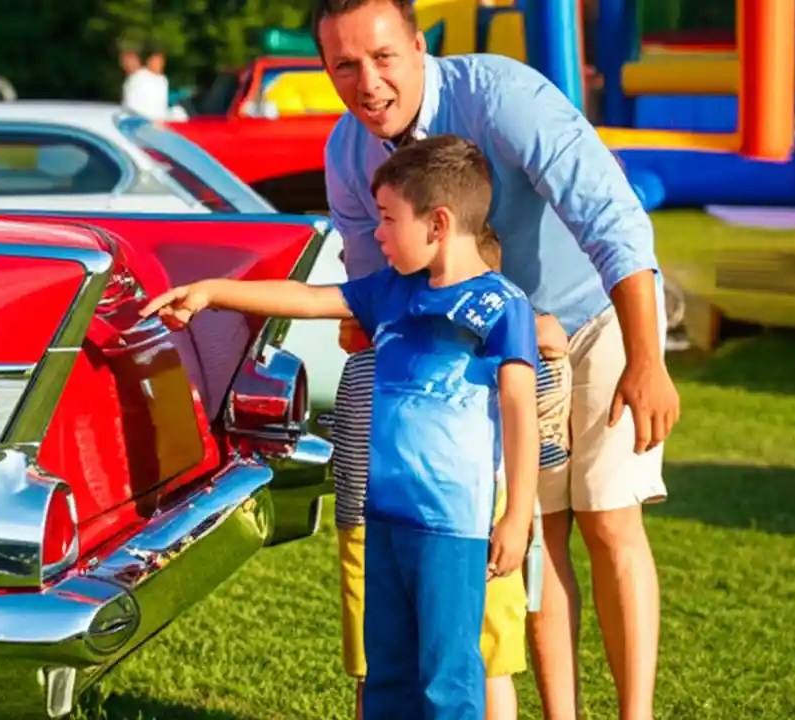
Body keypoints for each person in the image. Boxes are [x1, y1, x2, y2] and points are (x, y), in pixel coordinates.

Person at [311, 2, 681, 719]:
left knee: (609, 519)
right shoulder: (347, 153)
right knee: (532, 534)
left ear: (419, 46)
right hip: (493, 353)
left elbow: (611, 216)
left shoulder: (503, 95)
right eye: (344, 66)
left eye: (383, 57)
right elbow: (379, 291)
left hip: (594, 315)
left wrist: (646, 358)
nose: (368, 83)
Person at [144, 135, 541, 719]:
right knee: (386, 678)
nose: (376, 233)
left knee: (445, 681)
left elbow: (520, 414)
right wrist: (212, 294)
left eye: (387, 219)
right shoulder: (391, 291)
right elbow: (305, 299)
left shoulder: (501, 306)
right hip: (384, 520)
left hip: (450, 530)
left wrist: (516, 515)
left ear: (437, 223)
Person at [333, 223, 574, 720]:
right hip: (396, 523)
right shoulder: (382, 359)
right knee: (445, 661)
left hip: (469, 522)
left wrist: (540, 336)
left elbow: (537, 417)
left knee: (471, 661)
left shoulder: (382, 362)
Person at [121, 40, 171, 120]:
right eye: (155, 60)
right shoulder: (138, 75)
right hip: (136, 121)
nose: (158, 64)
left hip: (158, 122)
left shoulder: (163, 80)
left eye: (161, 61)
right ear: (148, 61)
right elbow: (130, 63)